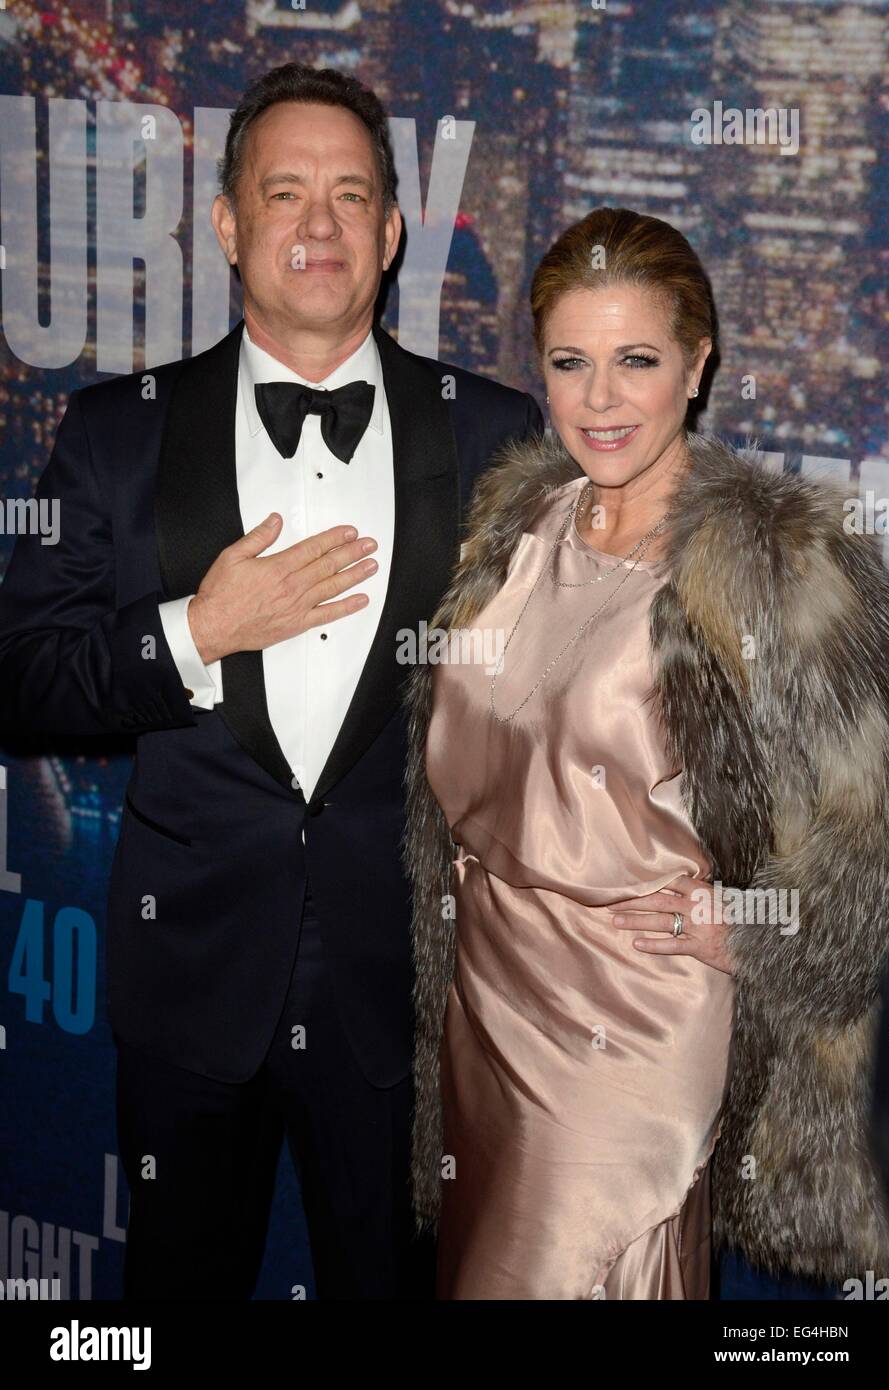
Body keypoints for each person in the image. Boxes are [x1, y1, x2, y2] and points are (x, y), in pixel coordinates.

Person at [0, 63, 542, 1300]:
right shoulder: (114, 432)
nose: (317, 224)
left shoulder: (493, 434)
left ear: (392, 232)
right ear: (230, 224)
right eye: (283, 192)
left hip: (406, 998)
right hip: (188, 986)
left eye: (349, 196)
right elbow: (20, 680)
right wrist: (197, 627)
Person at [401, 206, 889, 1299]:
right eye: (569, 363)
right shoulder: (516, 524)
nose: (598, 399)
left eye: (635, 360)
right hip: (483, 1000)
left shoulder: (778, 566)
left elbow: (872, 831)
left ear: (697, 363)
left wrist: (759, 928)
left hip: (628, 1025)